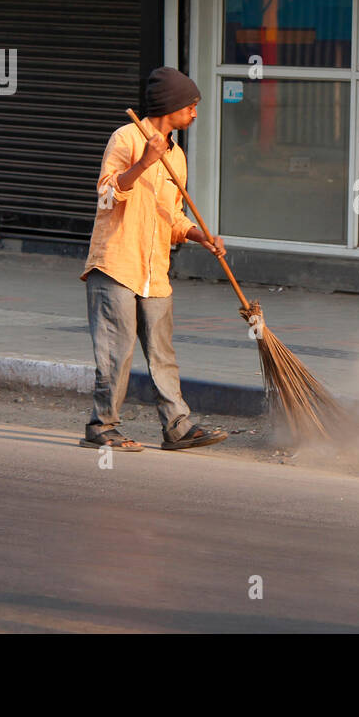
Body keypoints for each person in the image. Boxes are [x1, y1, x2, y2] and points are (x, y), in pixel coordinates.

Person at [78, 67, 229, 452]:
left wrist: (202, 236)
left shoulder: (177, 156)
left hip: (154, 271)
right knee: (117, 352)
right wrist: (144, 162)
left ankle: (177, 426)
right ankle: (102, 426)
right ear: (171, 106)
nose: (195, 113)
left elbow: (172, 217)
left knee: (163, 353)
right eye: (191, 106)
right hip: (116, 265)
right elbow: (107, 197)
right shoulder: (126, 139)